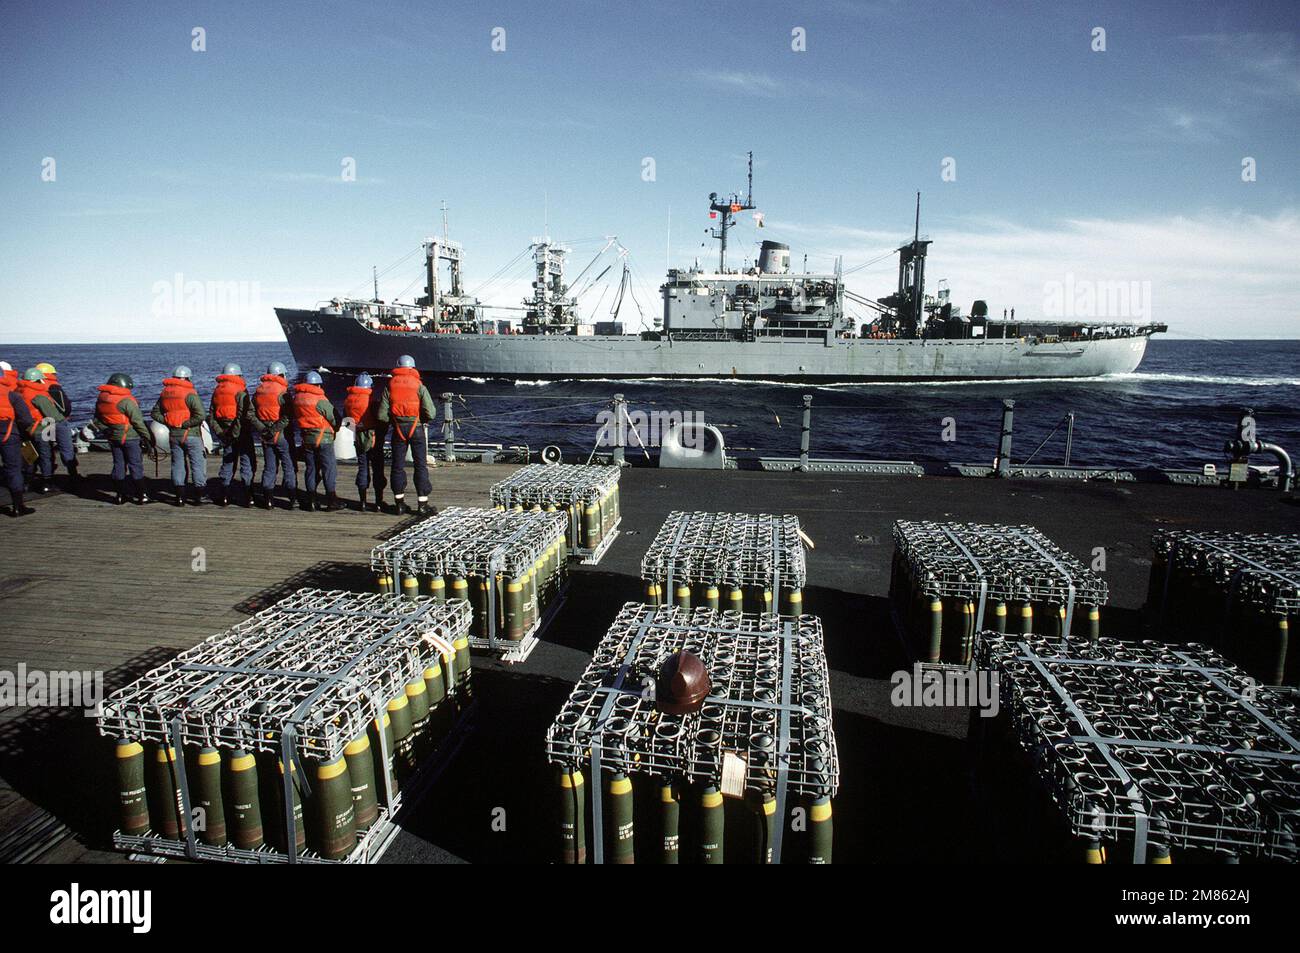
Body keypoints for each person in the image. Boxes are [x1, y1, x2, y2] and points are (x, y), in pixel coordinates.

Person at [376, 355, 436, 514]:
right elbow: (431, 412)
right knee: (420, 465)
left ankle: (399, 504)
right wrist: (422, 418)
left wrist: (394, 420)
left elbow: (382, 415)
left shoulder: (390, 386)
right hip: (416, 428)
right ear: (413, 368)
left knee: (397, 466)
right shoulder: (419, 385)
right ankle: (422, 504)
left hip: (398, 429)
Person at [151, 365, 206, 506]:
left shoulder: (165, 393)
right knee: (198, 465)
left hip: (173, 436)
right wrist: (186, 424)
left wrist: (169, 422)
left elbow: (155, 413)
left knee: (177, 465)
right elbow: (201, 415)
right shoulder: (189, 393)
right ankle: (199, 497)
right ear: (187, 378)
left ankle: (179, 498)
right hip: (191, 434)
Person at [95, 372, 154, 505]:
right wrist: (147, 437)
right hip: (130, 437)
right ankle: (142, 495)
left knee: (118, 465)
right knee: (135, 465)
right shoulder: (127, 401)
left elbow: (97, 420)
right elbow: (138, 422)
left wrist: (107, 430)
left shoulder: (101, 398)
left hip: (113, 437)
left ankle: (120, 495)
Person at [249, 361, 295, 510]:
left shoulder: (258, 392)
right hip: (280, 433)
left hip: (265, 435)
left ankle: (268, 499)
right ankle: (292, 499)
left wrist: (263, 429)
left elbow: (250, 414)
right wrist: (275, 428)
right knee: (288, 465)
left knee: (269, 466)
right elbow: (289, 415)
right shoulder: (283, 392)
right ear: (282, 375)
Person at [290, 371, 339, 511]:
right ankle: (331, 500)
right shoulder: (320, 400)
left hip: (307, 439)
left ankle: (311, 500)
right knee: (328, 469)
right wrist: (336, 428)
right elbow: (333, 417)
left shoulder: (297, 398)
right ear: (318, 385)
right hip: (324, 438)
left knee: (311, 469)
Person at [209, 363, 255, 507]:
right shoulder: (241, 390)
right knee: (246, 462)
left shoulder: (217, 391)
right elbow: (248, 412)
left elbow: (211, 416)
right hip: (242, 432)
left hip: (225, 433)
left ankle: (224, 497)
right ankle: (249, 497)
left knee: (228, 462)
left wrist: (220, 433)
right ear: (237, 375)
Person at [15, 367, 66, 493]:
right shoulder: (39, 395)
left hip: (23, 429)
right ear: (38, 380)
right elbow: (54, 416)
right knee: (46, 456)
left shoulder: (18, 392)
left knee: (29, 456)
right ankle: (47, 483)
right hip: (43, 428)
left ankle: (27, 482)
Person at [344, 372, 386, 512]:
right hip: (373, 437)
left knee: (362, 468)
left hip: (358, 437)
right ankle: (379, 502)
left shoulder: (348, 401)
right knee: (377, 469)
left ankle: (362, 502)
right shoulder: (371, 401)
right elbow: (381, 418)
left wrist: (356, 430)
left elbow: (346, 421)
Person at [0, 361, 36, 516]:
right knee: (13, 469)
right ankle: (17, 506)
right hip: (9, 433)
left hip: (8, 432)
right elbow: (26, 419)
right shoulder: (12, 395)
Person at [34, 361, 79, 483]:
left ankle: (47, 476)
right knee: (66, 448)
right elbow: (65, 407)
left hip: (43, 423)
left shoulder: (34, 387)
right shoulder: (54, 386)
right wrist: (64, 416)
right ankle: (73, 474)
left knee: (46, 450)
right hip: (58, 422)